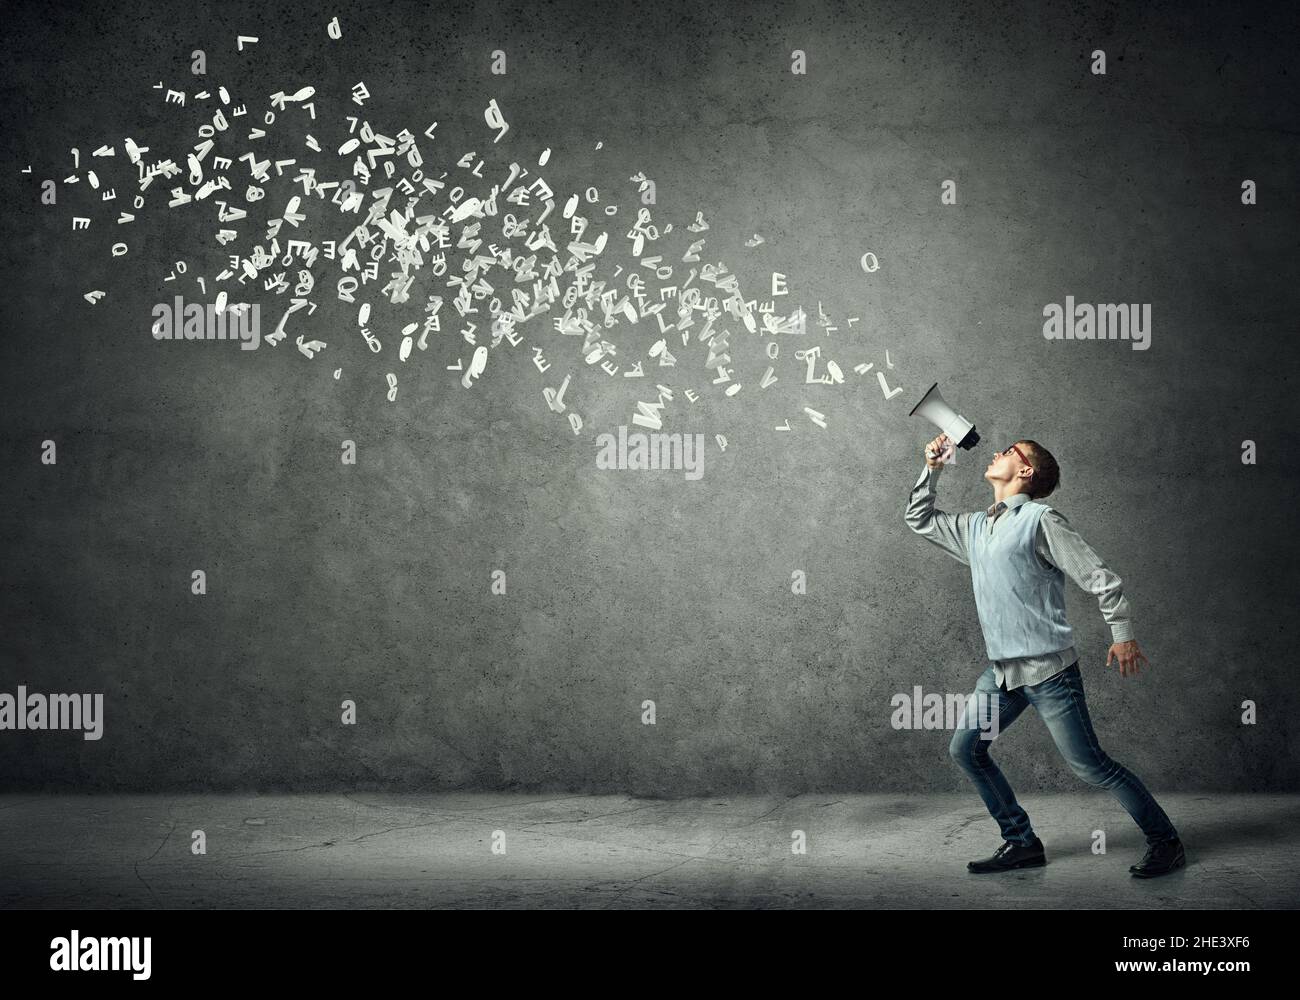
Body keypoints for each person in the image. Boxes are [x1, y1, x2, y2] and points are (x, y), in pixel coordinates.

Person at [903, 433, 1184, 878]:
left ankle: (1166, 842)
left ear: (1025, 470)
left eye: (1008, 451)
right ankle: (1022, 843)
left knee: (1091, 766)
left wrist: (1123, 634)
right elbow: (918, 518)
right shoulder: (975, 528)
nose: (996, 453)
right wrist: (933, 469)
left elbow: (1100, 577)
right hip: (1002, 675)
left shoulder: (1040, 520)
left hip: (1051, 674)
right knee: (967, 749)